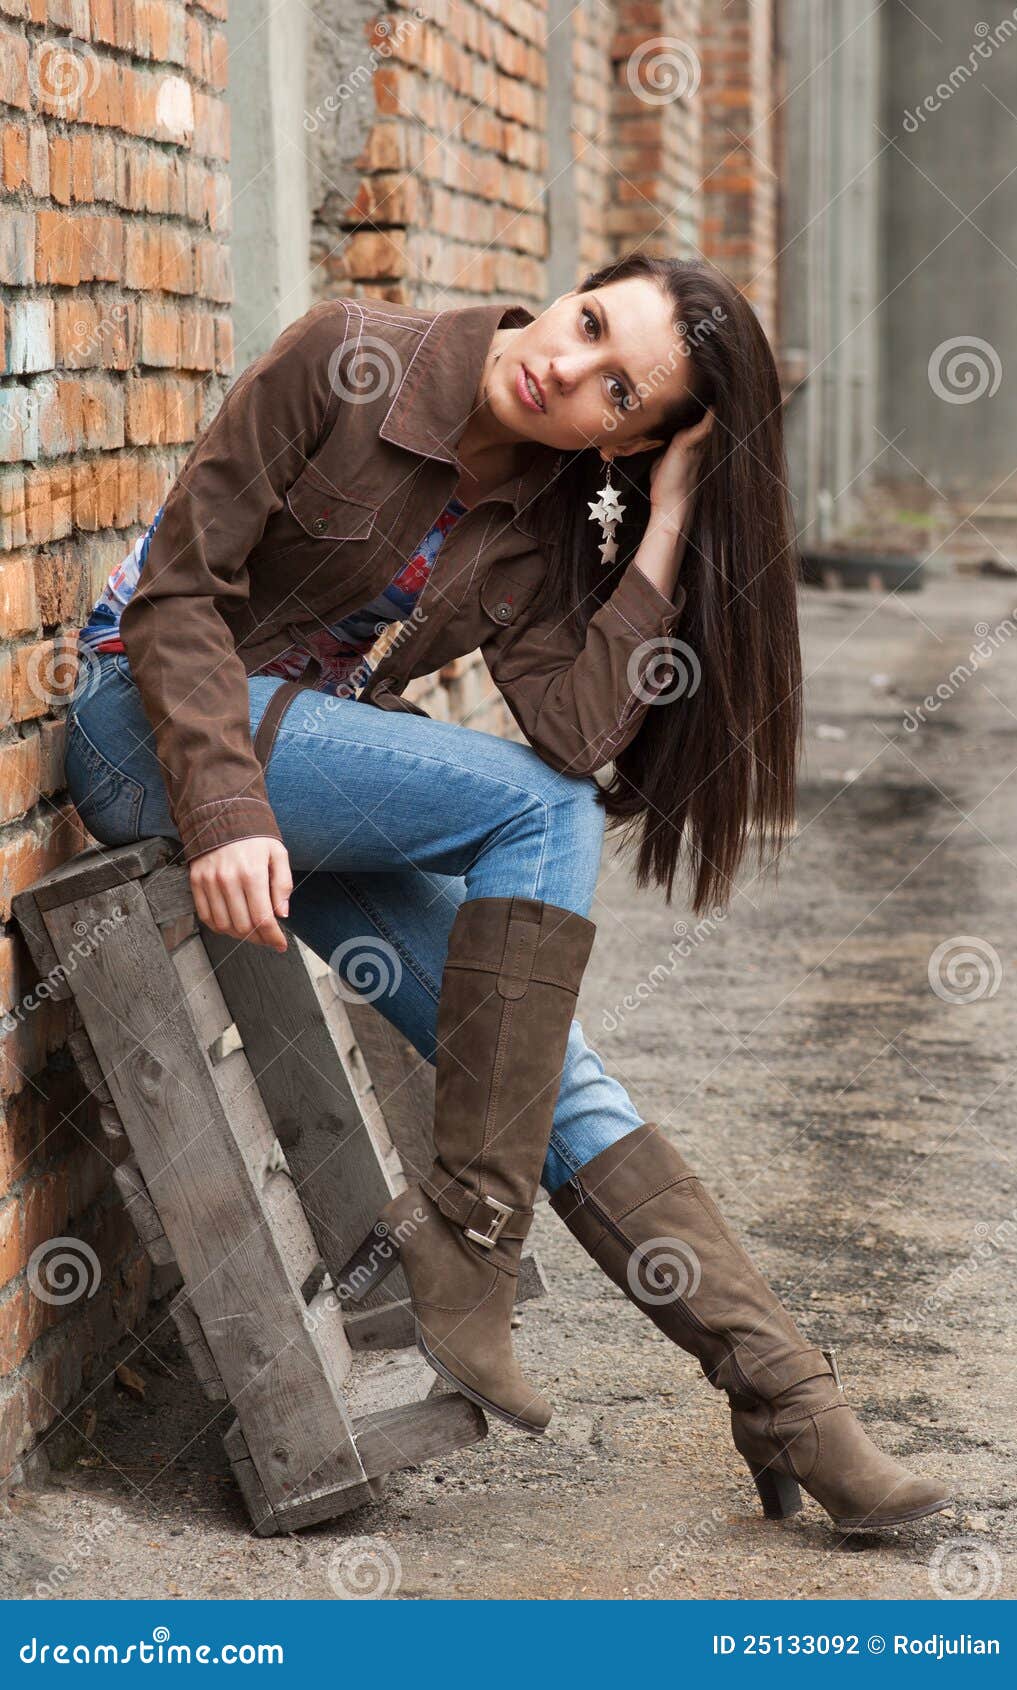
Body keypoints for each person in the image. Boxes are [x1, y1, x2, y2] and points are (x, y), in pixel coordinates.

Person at [64, 252, 951, 1531]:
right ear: (563, 292)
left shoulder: (548, 513)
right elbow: (176, 595)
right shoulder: (345, 354)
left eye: (617, 391)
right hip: (139, 731)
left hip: (299, 770)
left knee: (556, 1072)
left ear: (628, 440)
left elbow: (579, 731)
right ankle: (470, 1241)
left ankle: (792, 1402)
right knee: (539, 818)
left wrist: (670, 517)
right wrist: (224, 804)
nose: (567, 369)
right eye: (588, 324)